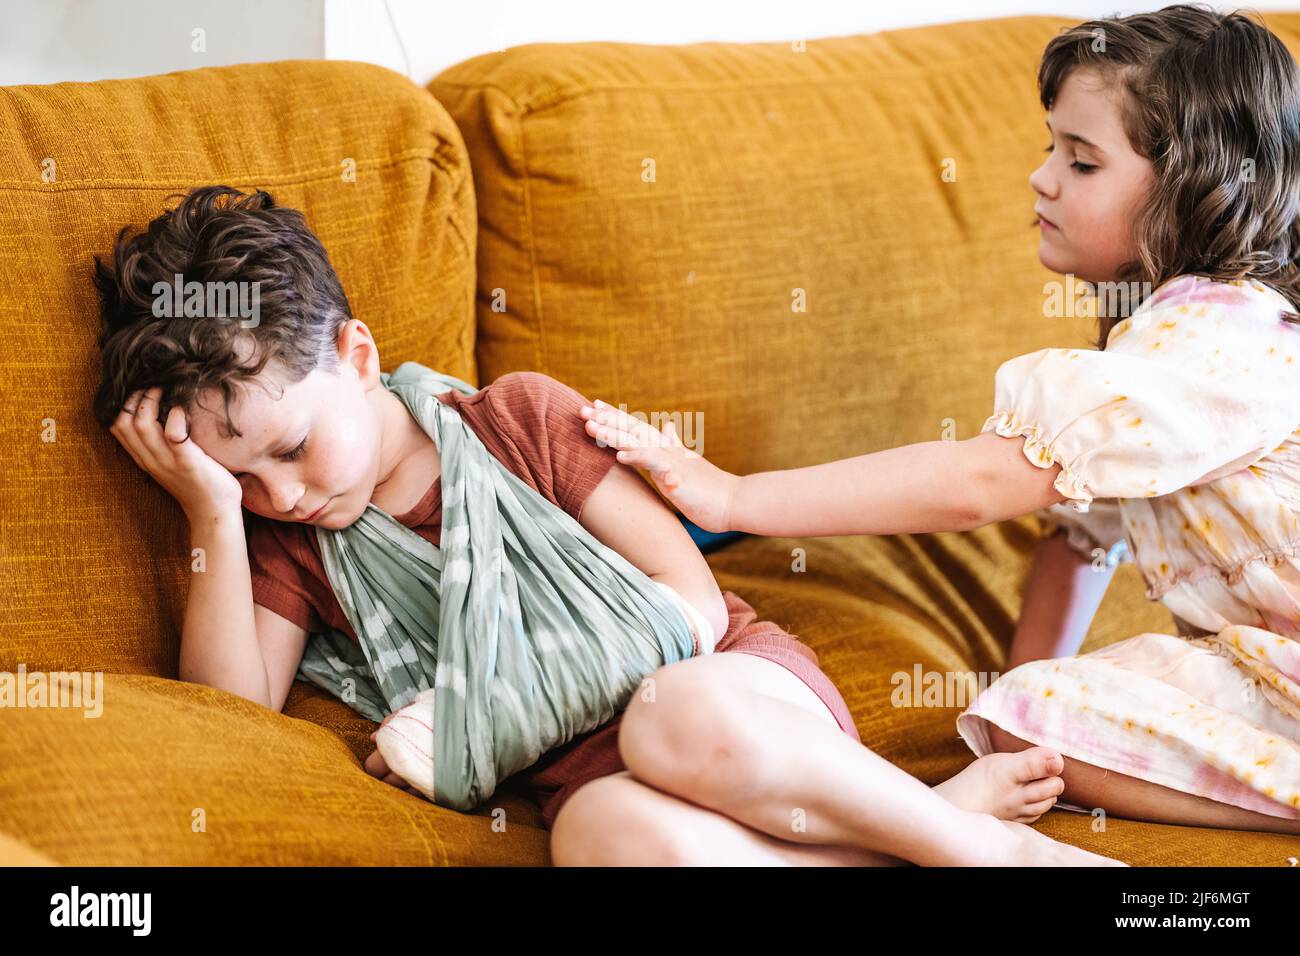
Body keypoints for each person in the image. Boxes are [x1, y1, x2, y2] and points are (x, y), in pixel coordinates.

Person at [578, 5, 1300, 835]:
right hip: (1265, 672)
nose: (1043, 178)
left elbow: (982, 482)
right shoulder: (1164, 348)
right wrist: (1018, 726)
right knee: (1025, 712)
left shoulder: (1218, 333)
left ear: (1195, 184)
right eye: (1050, 148)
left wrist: (734, 498)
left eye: (1084, 161)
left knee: (1028, 714)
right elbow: (1082, 541)